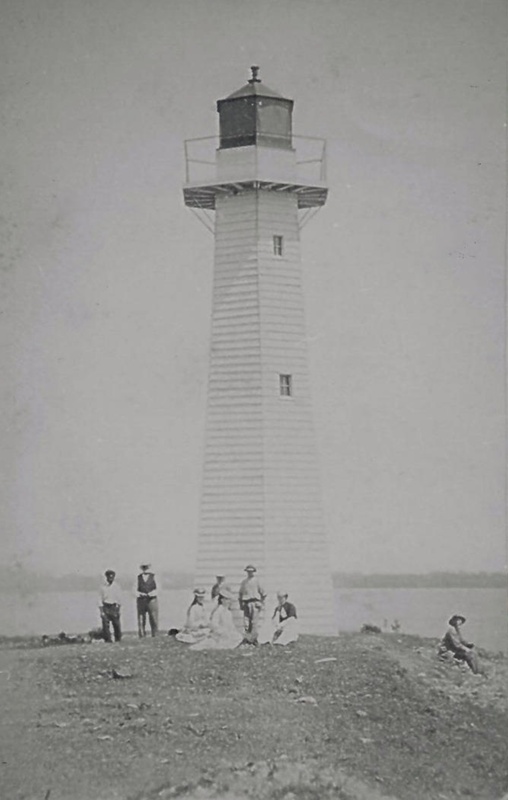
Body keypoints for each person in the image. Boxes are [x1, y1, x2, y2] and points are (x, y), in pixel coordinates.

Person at [238, 564, 266, 645]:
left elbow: (263, 593)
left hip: (255, 602)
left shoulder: (257, 581)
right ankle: (247, 639)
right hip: (246, 602)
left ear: (254, 572)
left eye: (251, 571)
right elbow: (240, 594)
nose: (250, 573)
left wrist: (261, 603)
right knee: (246, 622)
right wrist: (241, 604)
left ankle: (253, 640)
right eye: (248, 571)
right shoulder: (244, 582)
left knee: (254, 622)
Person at [136, 563, 159, 637]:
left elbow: (159, 588)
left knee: (153, 617)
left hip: (152, 599)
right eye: (144, 567)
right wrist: (140, 594)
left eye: (146, 567)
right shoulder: (138, 577)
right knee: (141, 618)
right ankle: (142, 634)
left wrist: (152, 593)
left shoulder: (154, 577)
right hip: (141, 600)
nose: (145, 569)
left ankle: (155, 634)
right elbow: (134, 589)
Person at [99, 569, 122, 643]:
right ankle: (108, 639)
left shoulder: (117, 587)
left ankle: (118, 639)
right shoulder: (103, 587)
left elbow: (119, 598)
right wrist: (101, 611)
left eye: (112, 577)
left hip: (114, 606)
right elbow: (100, 599)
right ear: (106, 577)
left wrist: (118, 608)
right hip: (106, 606)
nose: (110, 578)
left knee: (116, 623)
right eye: (109, 577)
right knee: (105, 624)